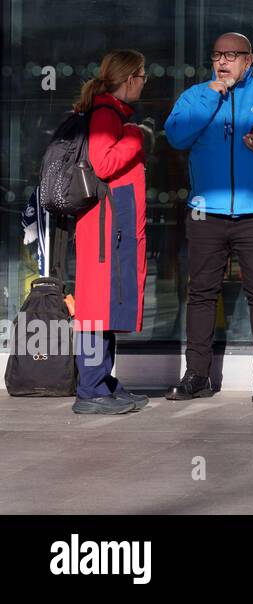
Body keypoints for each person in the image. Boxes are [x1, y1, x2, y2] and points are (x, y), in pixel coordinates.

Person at [163, 33, 253, 402]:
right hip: (205, 212)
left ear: (249, 60)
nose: (223, 62)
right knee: (200, 293)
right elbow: (176, 136)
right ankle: (197, 375)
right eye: (217, 55)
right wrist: (211, 95)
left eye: (232, 55)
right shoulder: (197, 96)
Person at [71, 50, 151, 415]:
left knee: (105, 307)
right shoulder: (106, 114)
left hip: (110, 223)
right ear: (129, 77)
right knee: (93, 308)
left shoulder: (109, 111)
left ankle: (103, 382)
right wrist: (135, 136)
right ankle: (90, 389)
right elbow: (104, 163)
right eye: (143, 75)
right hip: (106, 226)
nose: (145, 81)